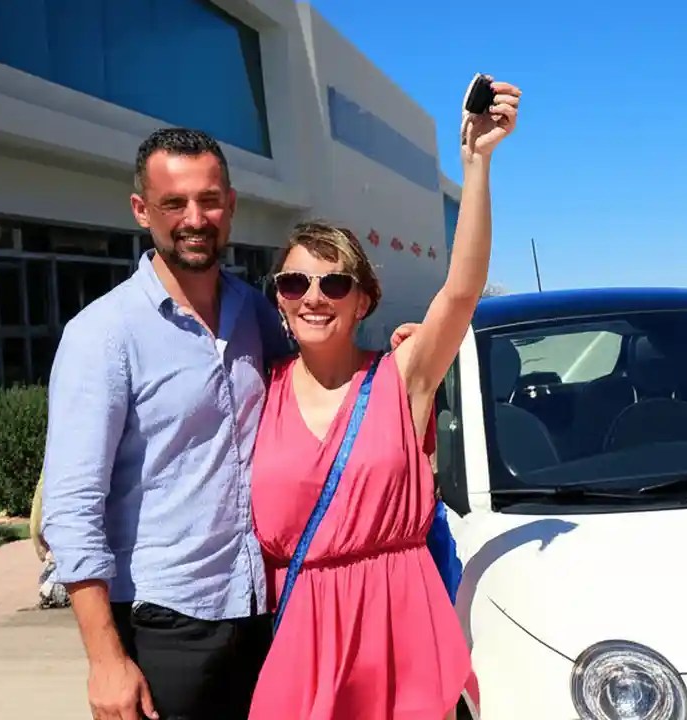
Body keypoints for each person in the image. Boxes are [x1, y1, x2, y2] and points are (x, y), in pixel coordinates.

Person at [39, 127, 429, 720]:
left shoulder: (257, 310)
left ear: (231, 205)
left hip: (266, 612)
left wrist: (394, 354)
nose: (195, 218)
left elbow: (320, 370)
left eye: (209, 199)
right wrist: (105, 659)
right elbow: (72, 510)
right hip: (165, 622)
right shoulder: (102, 335)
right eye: (174, 203)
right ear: (142, 210)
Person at [247, 77, 521, 720]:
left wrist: (476, 163)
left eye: (334, 282)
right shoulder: (256, 390)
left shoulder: (403, 377)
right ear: (279, 298)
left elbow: (460, 292)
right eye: (294, 282)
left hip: (402, 624)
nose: (313, 296)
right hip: (301, 637)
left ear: (363, 298)